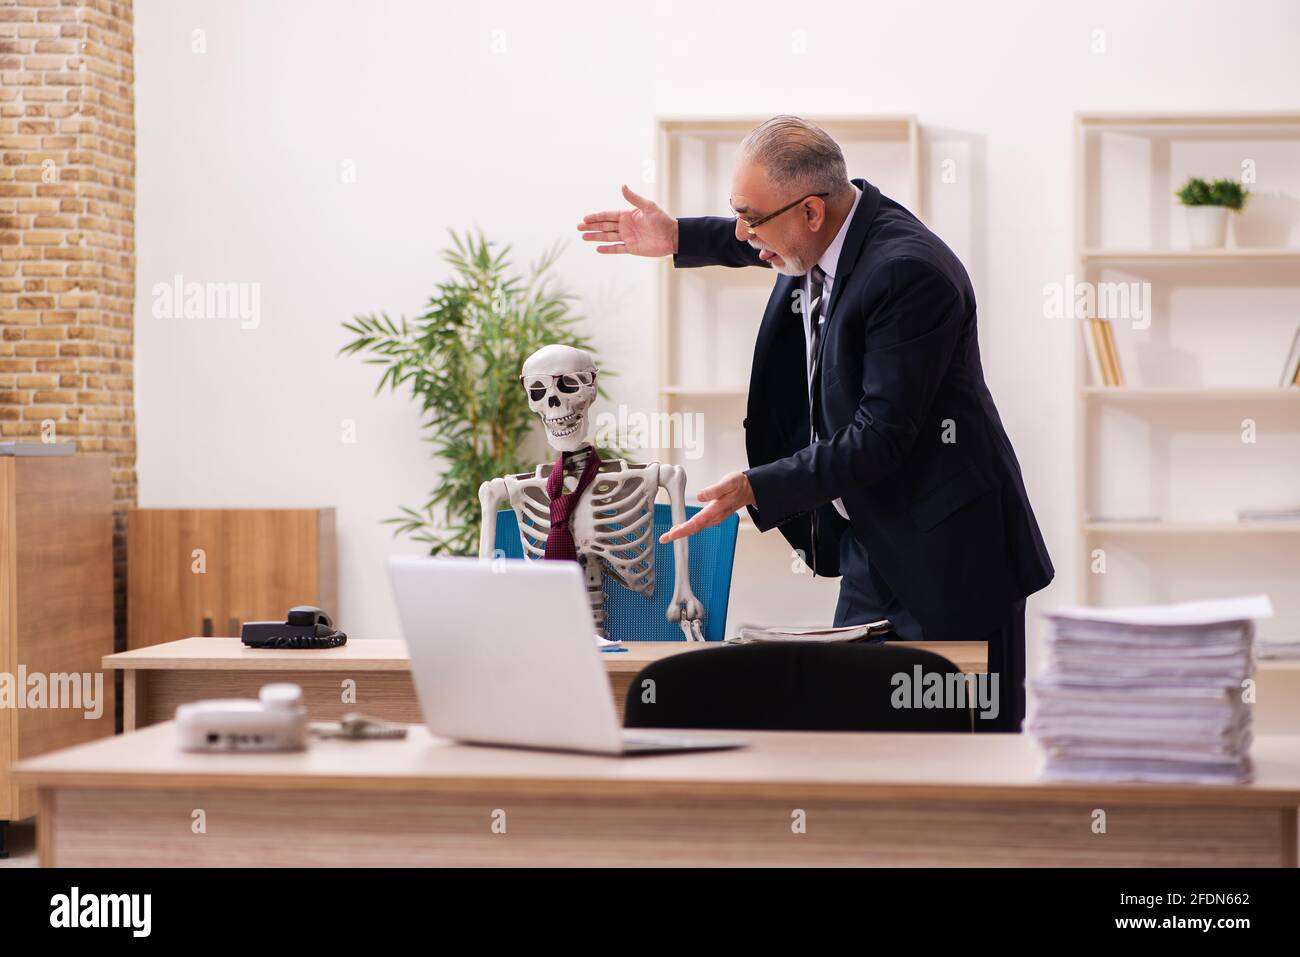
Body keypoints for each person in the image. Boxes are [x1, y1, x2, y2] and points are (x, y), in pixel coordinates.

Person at [577, 115, 1053, 732]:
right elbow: (755, 235)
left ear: (810, 212)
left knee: (964, 760)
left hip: (953, 559)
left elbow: (879, 437)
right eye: (738, 215)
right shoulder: (824, 231)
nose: (745, 235)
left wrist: (757, 485)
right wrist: (678, 238)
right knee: (853, 743)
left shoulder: (908, 274)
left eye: (752, 219)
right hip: (872, 548)